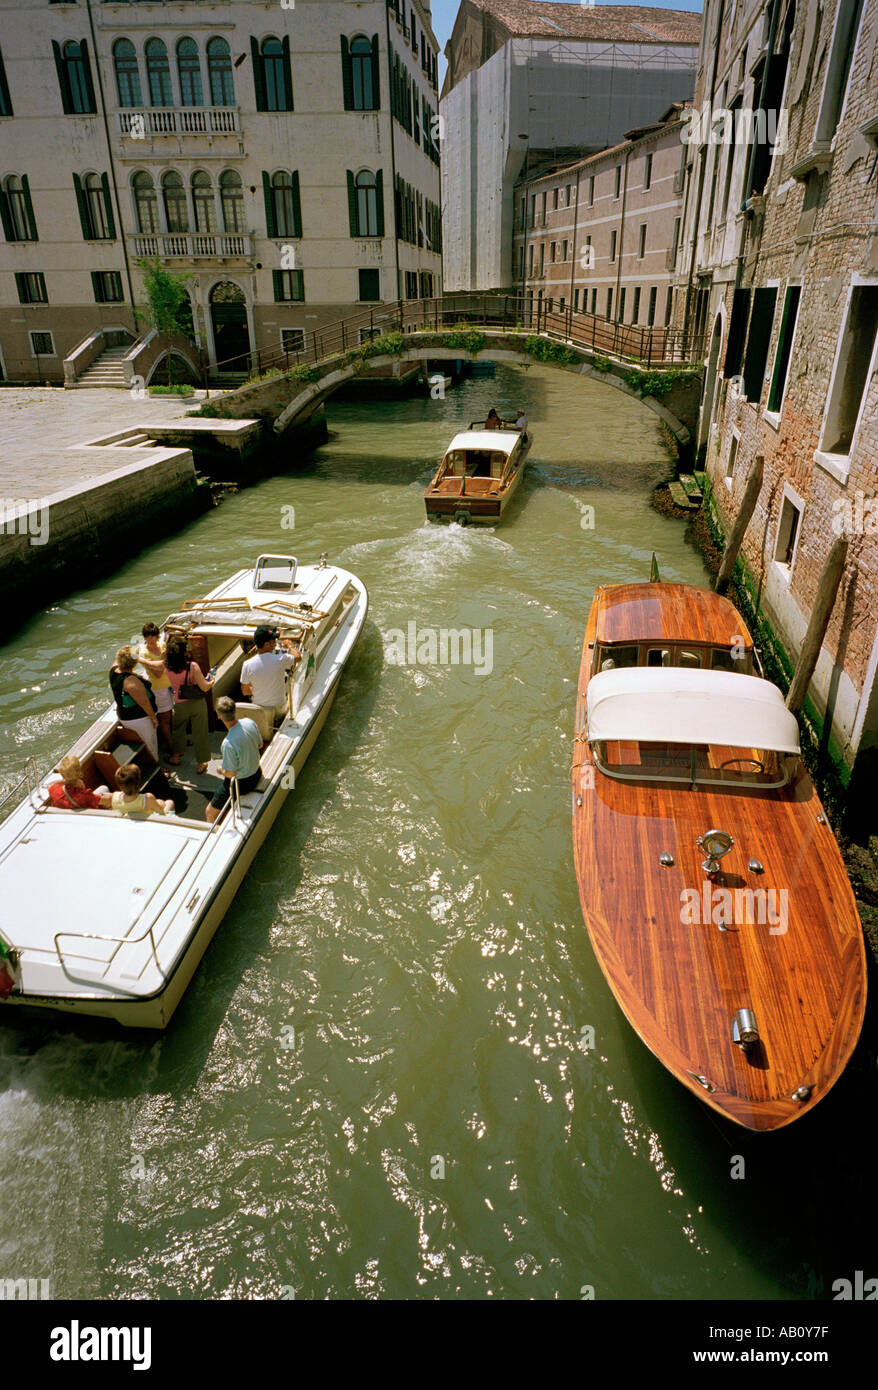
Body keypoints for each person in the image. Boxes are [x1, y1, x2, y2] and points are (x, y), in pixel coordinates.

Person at [205, 697, 262, 824]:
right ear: (234, 710)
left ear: (219, 716)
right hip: (257, 773)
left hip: (243, 784)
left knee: (209, 811)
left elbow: (231, 774)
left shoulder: (228, 743)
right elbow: (260, 745)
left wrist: (220, 770)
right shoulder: (250, 722)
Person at [240, 625, 301, 740]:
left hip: (259, 709)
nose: (275, 643)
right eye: (274, 641)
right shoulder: (280, 659)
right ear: (267, 644)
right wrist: (289, 646)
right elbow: (298, 657)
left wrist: (259, 692)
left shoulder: (247, 665)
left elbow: (245, 691)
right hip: (279, 708)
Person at [166, 635, 214, 774]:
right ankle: (201, 763)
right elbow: (204, 687)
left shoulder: (166, 665)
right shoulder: (192, 666)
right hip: (196, 703)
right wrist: (212, 680)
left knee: (178, 730)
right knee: (200, 732)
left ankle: (175, 756)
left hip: (178, 703)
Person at [109, 646, 160, 761]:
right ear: (134, 663)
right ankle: (155, 764)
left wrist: (128, 653)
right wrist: (153, 718)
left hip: (125, 717)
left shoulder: (113, 670)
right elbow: (145, 702)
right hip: (140, 720)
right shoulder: (131, 681)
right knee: (150, 744)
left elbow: (117, 660)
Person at [137, 622, 174, 756]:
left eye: (153, 636)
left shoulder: (162, 645)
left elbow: (166, 665)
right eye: (148, 637)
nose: (151, 640)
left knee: (169, 716)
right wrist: (164, 657)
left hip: (169, 686)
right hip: (158, 689)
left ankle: (172, 742)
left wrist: (163, 660)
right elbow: (157, 674)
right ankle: (171, 748)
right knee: (164, 719)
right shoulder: (145, 653)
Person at [47, 754, 112, 810]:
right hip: (92, 815)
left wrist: (66, 781)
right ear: (80, 773)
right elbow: (108, 800)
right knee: (104, 788)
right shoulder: (84, 795)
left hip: (76, 817)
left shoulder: (54, 790)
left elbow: (50, 784)